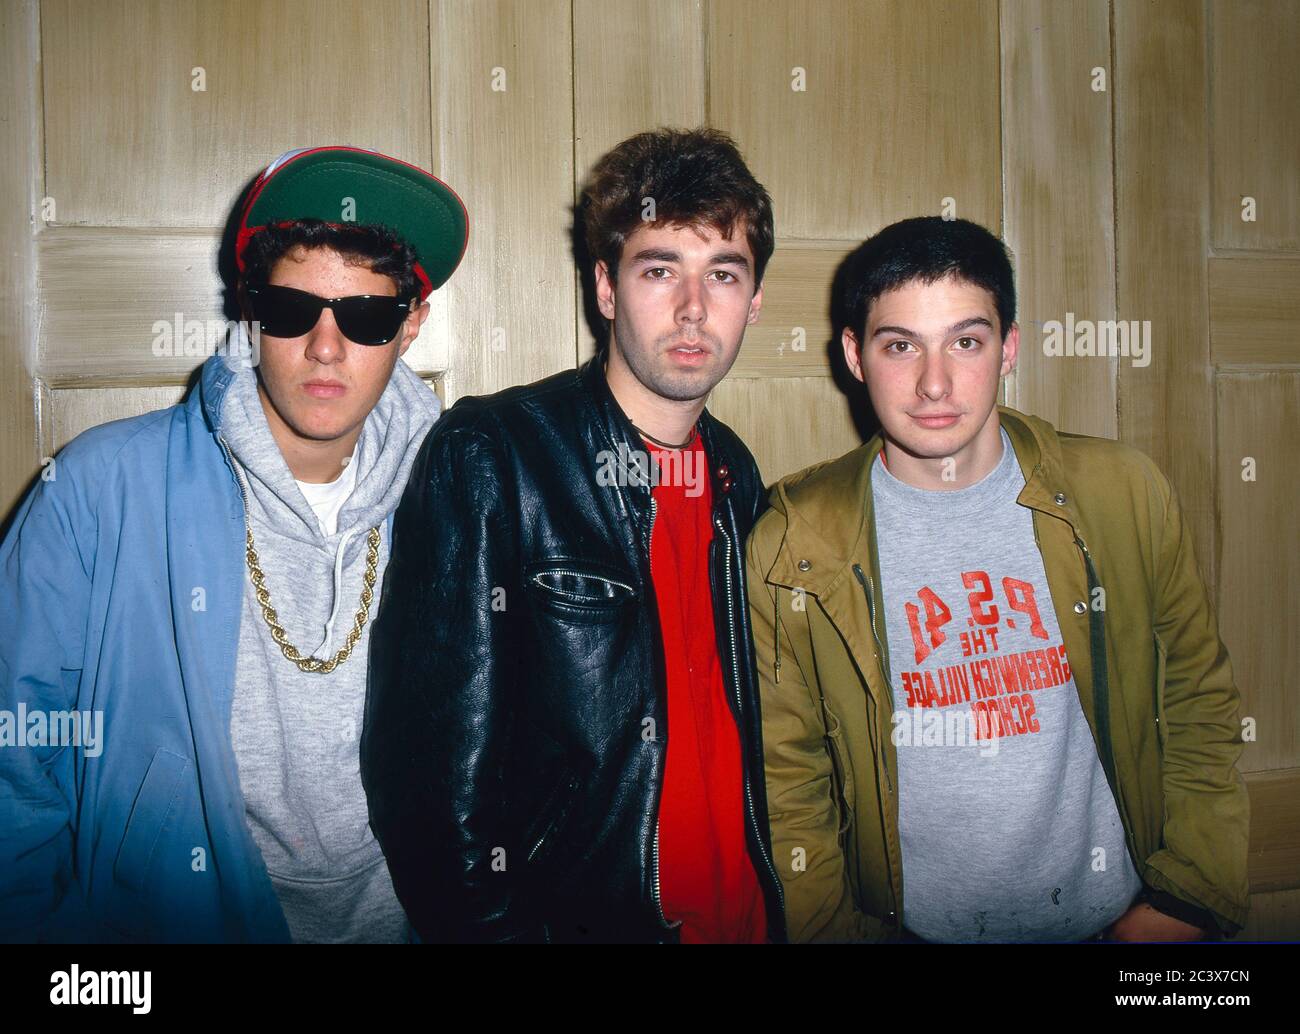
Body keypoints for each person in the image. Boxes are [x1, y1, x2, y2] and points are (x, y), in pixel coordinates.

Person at [0, 146, 467, 942]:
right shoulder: (96, 490)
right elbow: (16, 753)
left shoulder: (465, 496)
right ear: (251, 311)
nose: (326, 347)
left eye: (364, 316)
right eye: (292, 310)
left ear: (411, 324)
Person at [747, 216, 1249, 943]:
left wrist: (1187, 901)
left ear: (1009, 347)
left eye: (966, 341)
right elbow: (788, 787)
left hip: (1124, 924)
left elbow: (1199, 699)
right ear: (855, 356)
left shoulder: (1123, 495)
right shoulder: (793, 543)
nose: (935, 383)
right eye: (899, 346)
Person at [362, 127, 786, 943]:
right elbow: (427, 793)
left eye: (723, 275)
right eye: (660, 269)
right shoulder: (496, 455)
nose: (694, 308)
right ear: (605, 287)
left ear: (754, 302)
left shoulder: (735, 474)